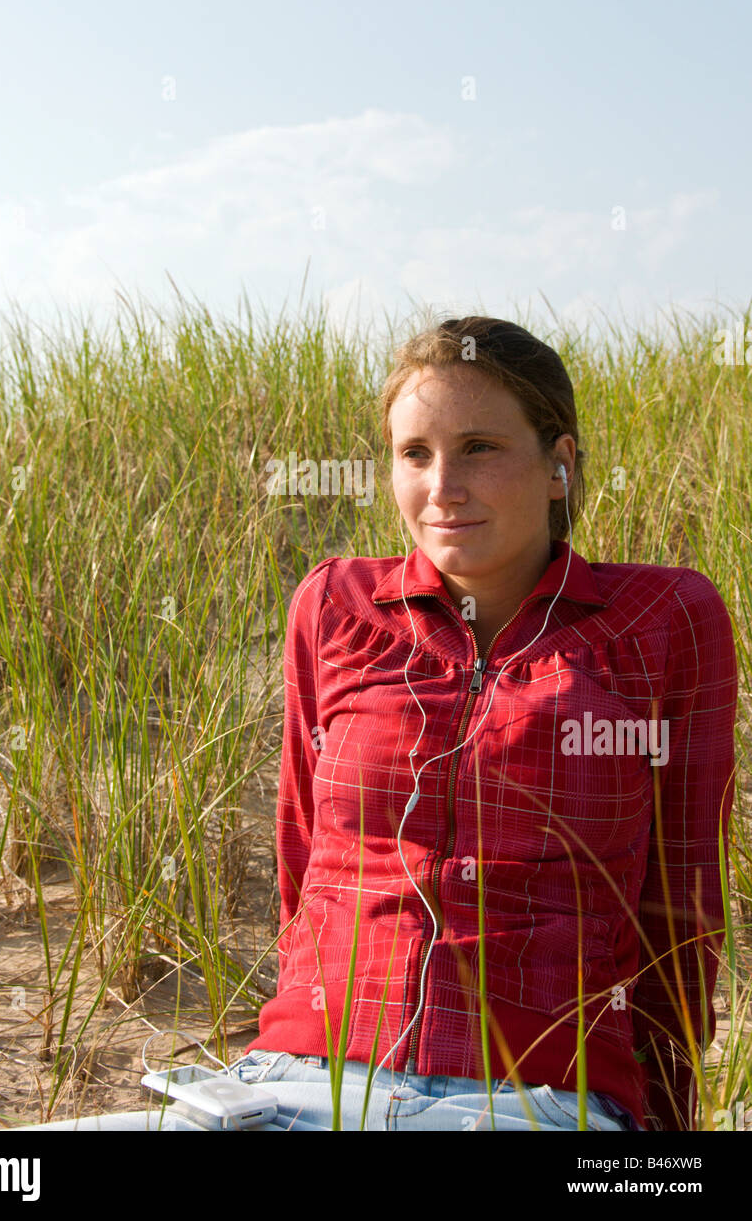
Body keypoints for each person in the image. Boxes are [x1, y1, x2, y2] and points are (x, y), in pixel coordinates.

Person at [235, 315, 738, 1132]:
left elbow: (682, 907)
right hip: (299, 1080)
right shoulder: (334, 605)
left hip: (536, 1097)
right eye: (414, 453)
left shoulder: (662, 619)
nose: (442, 486)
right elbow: (303, 869)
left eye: (478, 448)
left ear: (558, 466)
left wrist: (663, 1136)